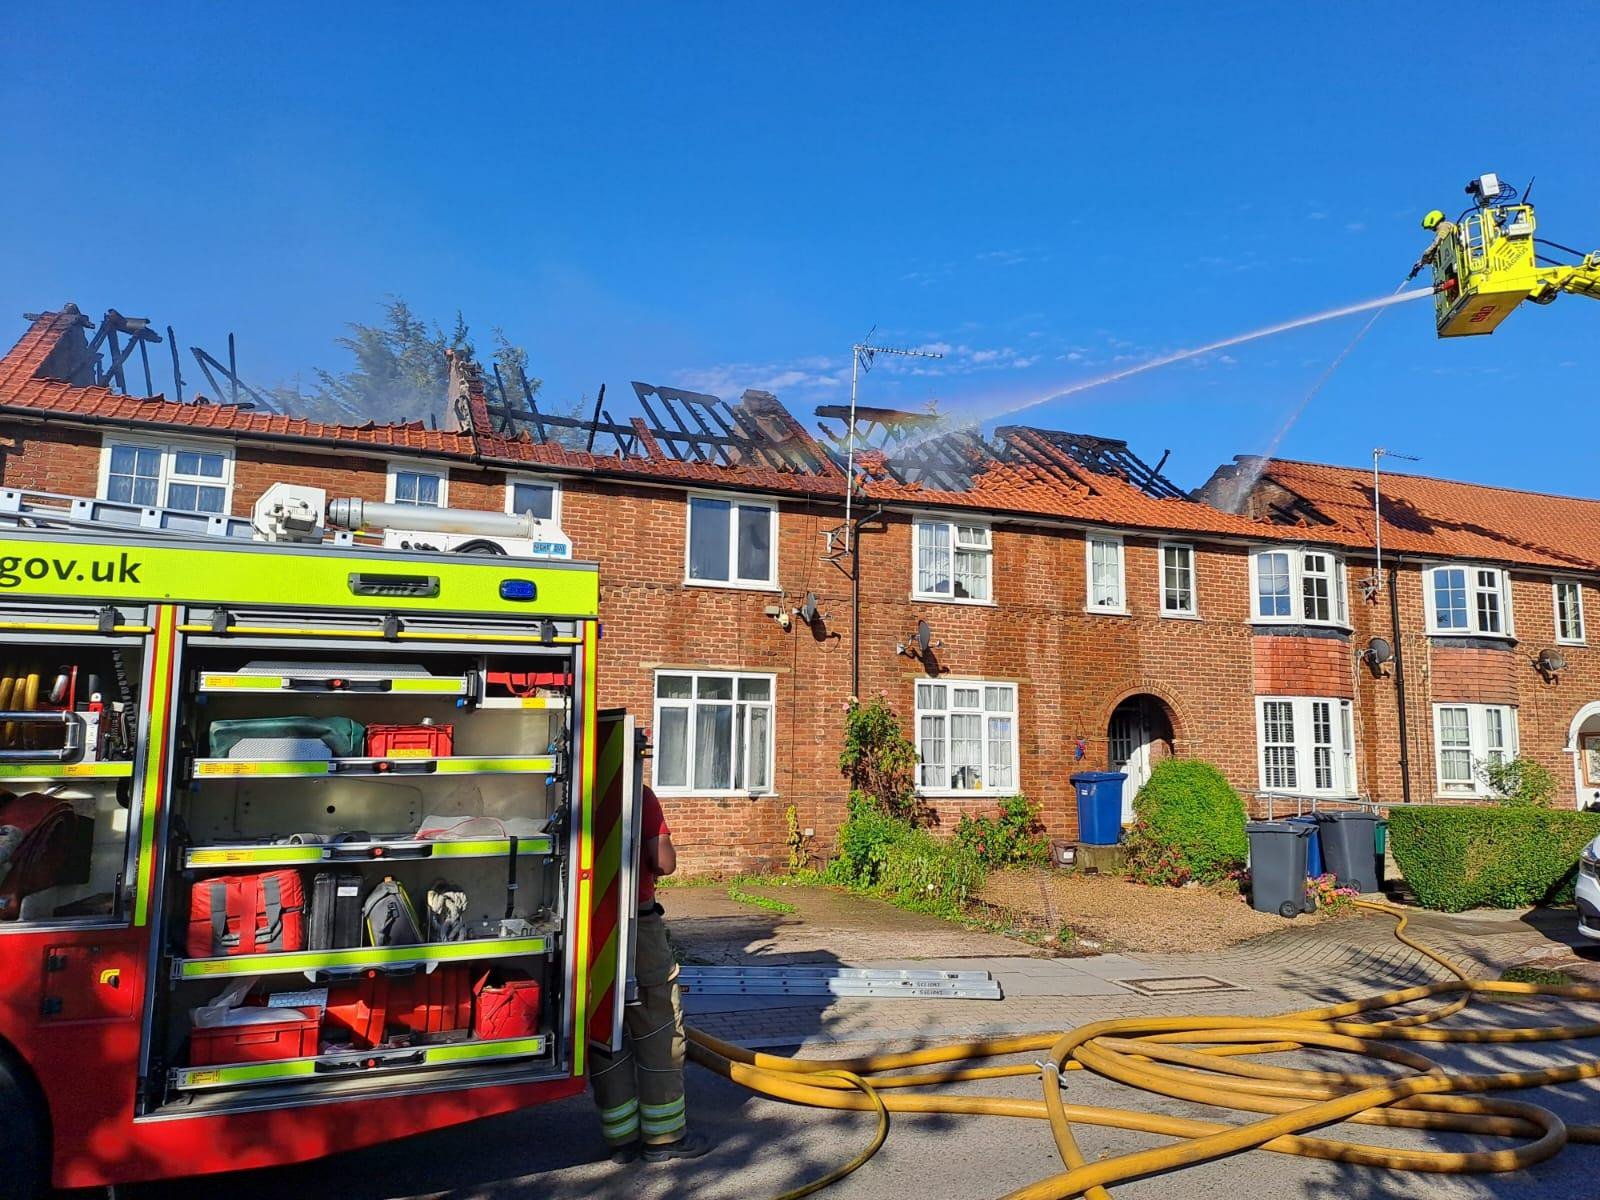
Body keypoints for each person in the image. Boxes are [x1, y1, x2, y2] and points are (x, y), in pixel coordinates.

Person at [589, 784, 710, 1164]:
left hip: (583, 930)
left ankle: (622, 1140)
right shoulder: (634, 791)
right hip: (637, 925)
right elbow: (664, 863)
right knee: (658, 1023)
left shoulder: (573, 785)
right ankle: (665, 1138)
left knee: (605, 1027)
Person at [1409, 209, 1458, 279]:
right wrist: (1420, 263)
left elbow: (1436, 243)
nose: (1431, 229)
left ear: (1433, 221)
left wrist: (1426, 253)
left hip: (1454, 257)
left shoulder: (1445, 226)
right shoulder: (1443, 232)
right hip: (1450, 262)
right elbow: (1434, 253)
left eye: (1430, 227)